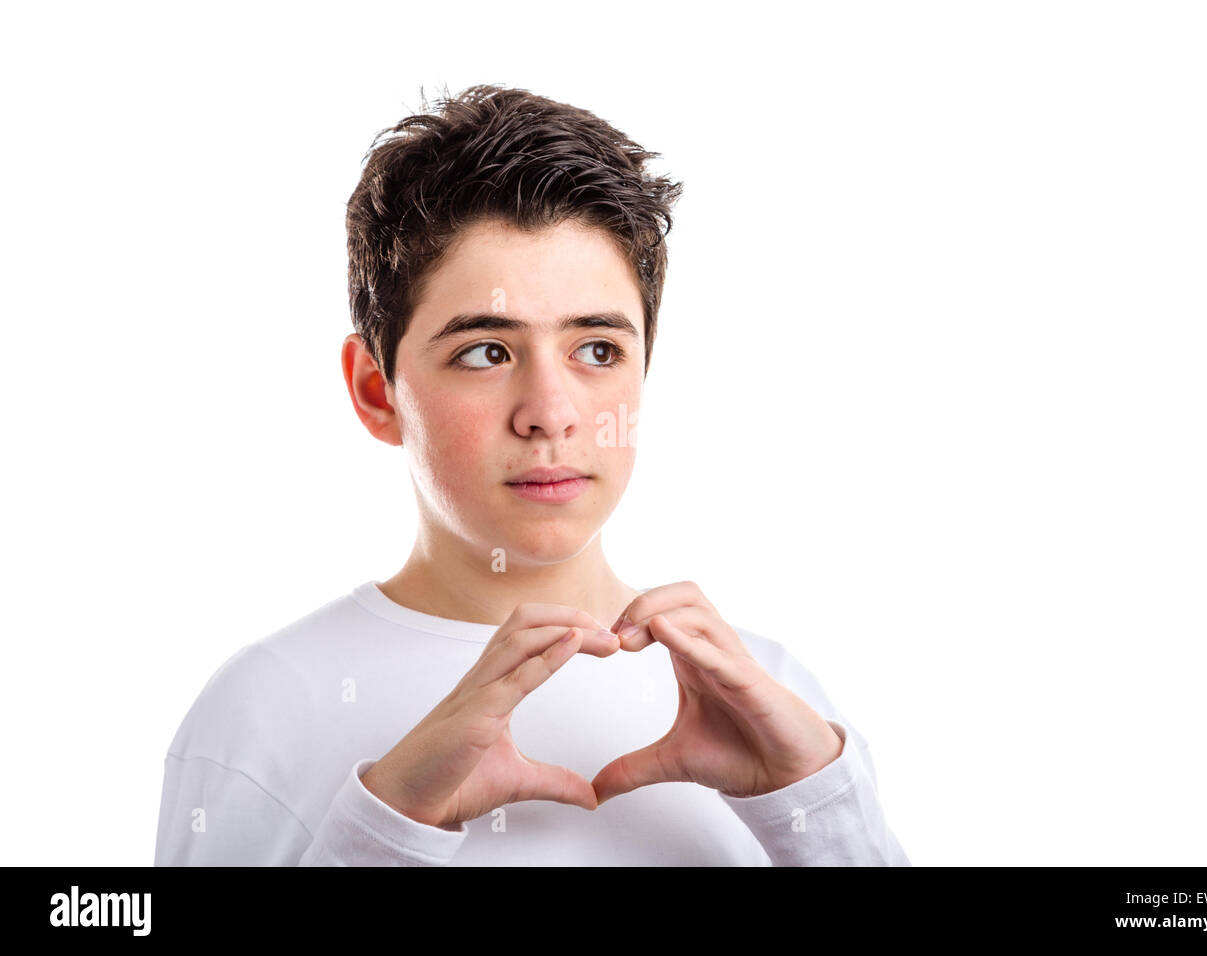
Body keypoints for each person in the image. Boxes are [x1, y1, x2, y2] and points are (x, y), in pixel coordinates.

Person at [153, 83, 910, 866]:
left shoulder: (770, 698)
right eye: (486, 351)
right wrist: (388, 824)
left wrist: (819, 810)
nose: (550, 413)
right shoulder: (266, 708)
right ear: (376, 392)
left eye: (596, 350)